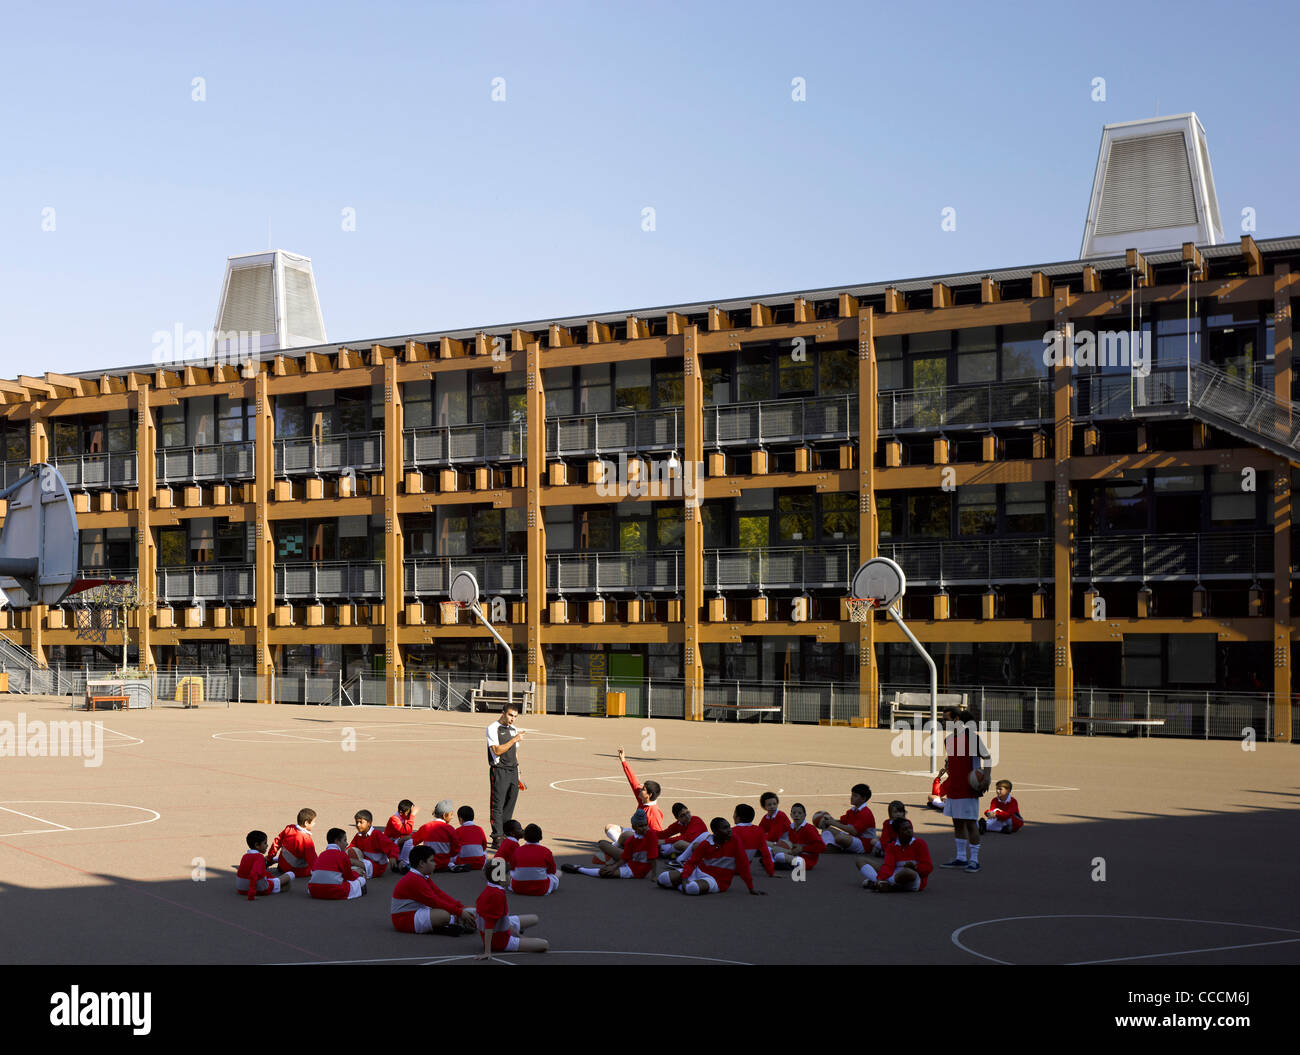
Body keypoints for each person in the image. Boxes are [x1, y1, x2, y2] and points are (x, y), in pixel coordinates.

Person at [656, 817, 767, 896]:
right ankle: (684, 883)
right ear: (715, 831)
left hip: (717, 880)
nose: (729, 830)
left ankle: (681, 885)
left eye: (729, 827)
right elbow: (692, 862)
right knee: (662, 878)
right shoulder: (706, 844)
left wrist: (751, 888)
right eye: (724, 828)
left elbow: (743, 864)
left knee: (692, 889)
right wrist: (685, 877)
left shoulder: (735, 841)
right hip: (698, 871)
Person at [939, 707, 990, 873]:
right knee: (957, 823)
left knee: (970, 823)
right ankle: (961, 857)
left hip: (968, 788)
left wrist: (987, 778)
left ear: (956, 719)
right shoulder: (948, 740)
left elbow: (987, 757)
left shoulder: (972, 738)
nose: (943, 722)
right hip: (954, 787)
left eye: (945, 719)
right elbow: (953, 761)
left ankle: (974, 860)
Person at [390, 846, 477, 935]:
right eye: (432, 861)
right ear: (422, 863)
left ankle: (452, 923)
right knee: (444, 915)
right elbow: (435, 901)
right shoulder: (415, 879)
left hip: (414, 911)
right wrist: (459, 912)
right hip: (404, 919)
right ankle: (454, 923)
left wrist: (460, 906)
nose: (435, 864)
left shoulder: (421, 876)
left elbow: (439, 893)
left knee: (446, 911)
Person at [563, 810, 660, 879]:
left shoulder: (650, 835)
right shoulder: (631, 840)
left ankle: (579, 869)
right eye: (640, 826)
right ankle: (612, 862)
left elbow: (653, 858)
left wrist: (654, 875)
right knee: (602, 844)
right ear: (634, 827)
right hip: (629, 861)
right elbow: (625, 857)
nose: (644, 828)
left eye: (645, 825)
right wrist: (615, 866)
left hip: (635, 871)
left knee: (604, 872)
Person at [475, 874, 548, 960]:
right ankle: (515, 939)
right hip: (501, 941)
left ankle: (517, 934)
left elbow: (502, 919)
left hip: (500, 926)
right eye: (508, 875)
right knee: (544, 944)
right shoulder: (497, 895)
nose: (511, 877)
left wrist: (517, 934)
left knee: (534, 918)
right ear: (501, 878)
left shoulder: (491, 888)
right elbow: (489, 924)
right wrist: (487, 952)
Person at [486, 704, 525, 848]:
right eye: (510, 715)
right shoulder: (492, 728)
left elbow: (514, 752)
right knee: (498, 804)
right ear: (503, 713)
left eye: (515, 716)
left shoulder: (513, 729)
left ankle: (506, 833)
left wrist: (519, 773)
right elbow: (496, 751)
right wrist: (514, 740)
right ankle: (497, 836)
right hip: (500, 769)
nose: (512, 719)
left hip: (513, 770)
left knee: (510, 802)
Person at [862, 818, 932, 892]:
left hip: (913, 879)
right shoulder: (892, 846)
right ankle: (882, 883)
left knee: (908, 872)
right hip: (894, 875)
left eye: (910, 828)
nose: (909, 831)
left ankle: (883, 884)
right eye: (905, 829)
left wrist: (915, 867)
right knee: (861, 860)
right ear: (897, 833)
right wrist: (880, 878)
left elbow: (928, 867)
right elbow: (888, 866)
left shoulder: (920, 843)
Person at [407, 800, 468, 872]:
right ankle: (451, 865)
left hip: (429, 864)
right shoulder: (450, 829)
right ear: (444, 815)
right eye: (451, 814)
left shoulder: (426, 827)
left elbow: (413, 842)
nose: (452, 817)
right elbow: (456, 849)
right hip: (444, 863)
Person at [308, 828, 367, 900]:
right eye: (344, 840)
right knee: (361, 880)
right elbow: (349, 877)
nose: (347, 843)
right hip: (334, 891)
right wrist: (356, 874)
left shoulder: (321, 854)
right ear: (337, 841)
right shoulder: (342, 855)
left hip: (314, 891)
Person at [820, 784, 876, 854]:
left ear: (863, 799)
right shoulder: (852, 810)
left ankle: (835, 847)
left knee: (840, 838)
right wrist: (829, 820)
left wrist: (833, 823)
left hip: (864, 844)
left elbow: (854, 831)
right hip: (853, 838)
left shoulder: (865, 813)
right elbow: (842, 822)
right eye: (852, 795)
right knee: (827, 828)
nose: (851, 797)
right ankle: (833, 847)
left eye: (855, 796)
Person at [237, 831, 291, 899]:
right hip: (260, 889)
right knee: (290, 875)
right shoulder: (259, 857)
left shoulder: (245, 856)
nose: (267, 845)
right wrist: (251, 893)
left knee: (268, 874)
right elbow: (253, 875)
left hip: (241, 889)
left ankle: (277, 887)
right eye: (265, 843)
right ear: (257, 845)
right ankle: (276, 887)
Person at [509, 823, 559, 895]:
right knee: (555, 876)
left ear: (525, 837)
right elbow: (552, 871)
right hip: (541, 889)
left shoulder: (517, 850)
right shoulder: (546, 851)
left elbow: (512, 868)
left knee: (512, 873)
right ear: (540, 837)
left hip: (518, 888)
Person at [350, 809, 401, 878]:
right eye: (357, 822)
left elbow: (392, 846)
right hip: (365, 861)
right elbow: (351, 846)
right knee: (351, 866)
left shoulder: (377, 834)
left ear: (369, 823)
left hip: (377, 866)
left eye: (361, 822)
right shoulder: (358, 836)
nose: (358, 825)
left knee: (351, 862)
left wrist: (392, 856)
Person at [268, 808, 317, 878]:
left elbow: (276, 842)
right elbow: (312, 859)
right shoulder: (306, 839)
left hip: (282, 866)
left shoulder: (289, 828)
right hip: (297, 871)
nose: (314, 824)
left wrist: (270, 857)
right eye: (313, 822)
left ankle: (276, 859)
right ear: (306, 823)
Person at [772, 802, 821, 871]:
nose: (796, 815)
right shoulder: (791, 828)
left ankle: (780, 863)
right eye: (794, 813)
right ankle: (782, 863)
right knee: (774, 849)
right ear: (791, 815)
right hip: (795, 855)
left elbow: (821, 847)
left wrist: (802, 849)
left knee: (779, 856)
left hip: (806, 860)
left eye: (799, 813)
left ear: (804, 815)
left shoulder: (809, 829)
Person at [730, 803, 775, 877]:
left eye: (734, 813)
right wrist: (771, 872)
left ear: (737, 817)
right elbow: (766, 853)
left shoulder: (732, 831)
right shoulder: (758, 831)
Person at [454, 805, 489, 870]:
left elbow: (454, 848)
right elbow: (484, 846)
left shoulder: (457, 831)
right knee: (484, 851)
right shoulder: (480, 829)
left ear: (460, 819)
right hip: (480, 864)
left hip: (462, 862)